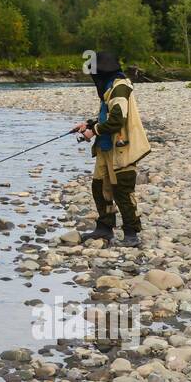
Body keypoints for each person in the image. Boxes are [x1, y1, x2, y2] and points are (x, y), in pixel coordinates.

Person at [70, 51, 151, 247]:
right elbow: (108, 115)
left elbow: (117, 120)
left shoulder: (120, 88)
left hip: (122, 148)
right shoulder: (109, 87)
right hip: (106, 147)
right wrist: (89, 124)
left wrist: (93, 131)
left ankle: (131, 233)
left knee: (122, 190)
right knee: (100, 187)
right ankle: (104, 228)